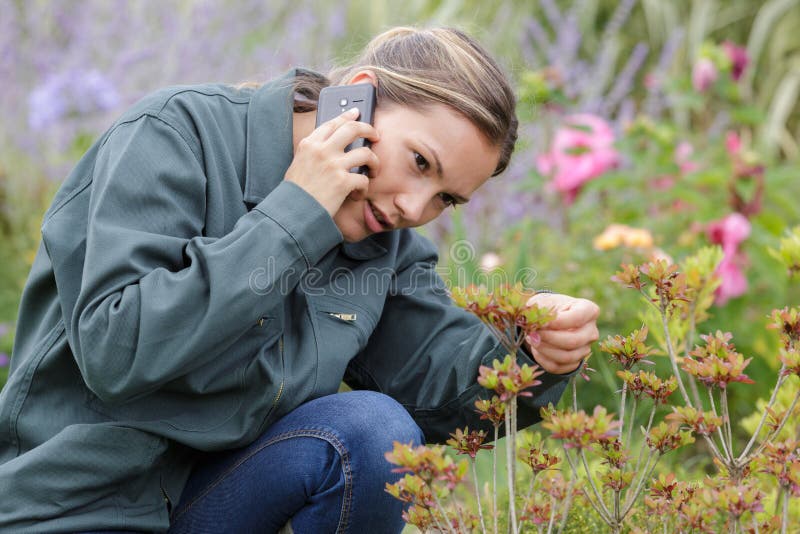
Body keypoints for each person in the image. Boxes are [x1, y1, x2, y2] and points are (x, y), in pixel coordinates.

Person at [0, 26, 599, 533]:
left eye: (445, 197)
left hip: (210, 508)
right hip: (70, 509)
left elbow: (439, 382)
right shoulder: (175, 134)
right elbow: (118, 350)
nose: (415, 208)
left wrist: (534, 351)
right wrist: (296, 216)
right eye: (420, 162)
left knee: (370, 431)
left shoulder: (382, 242)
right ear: (358, 101)